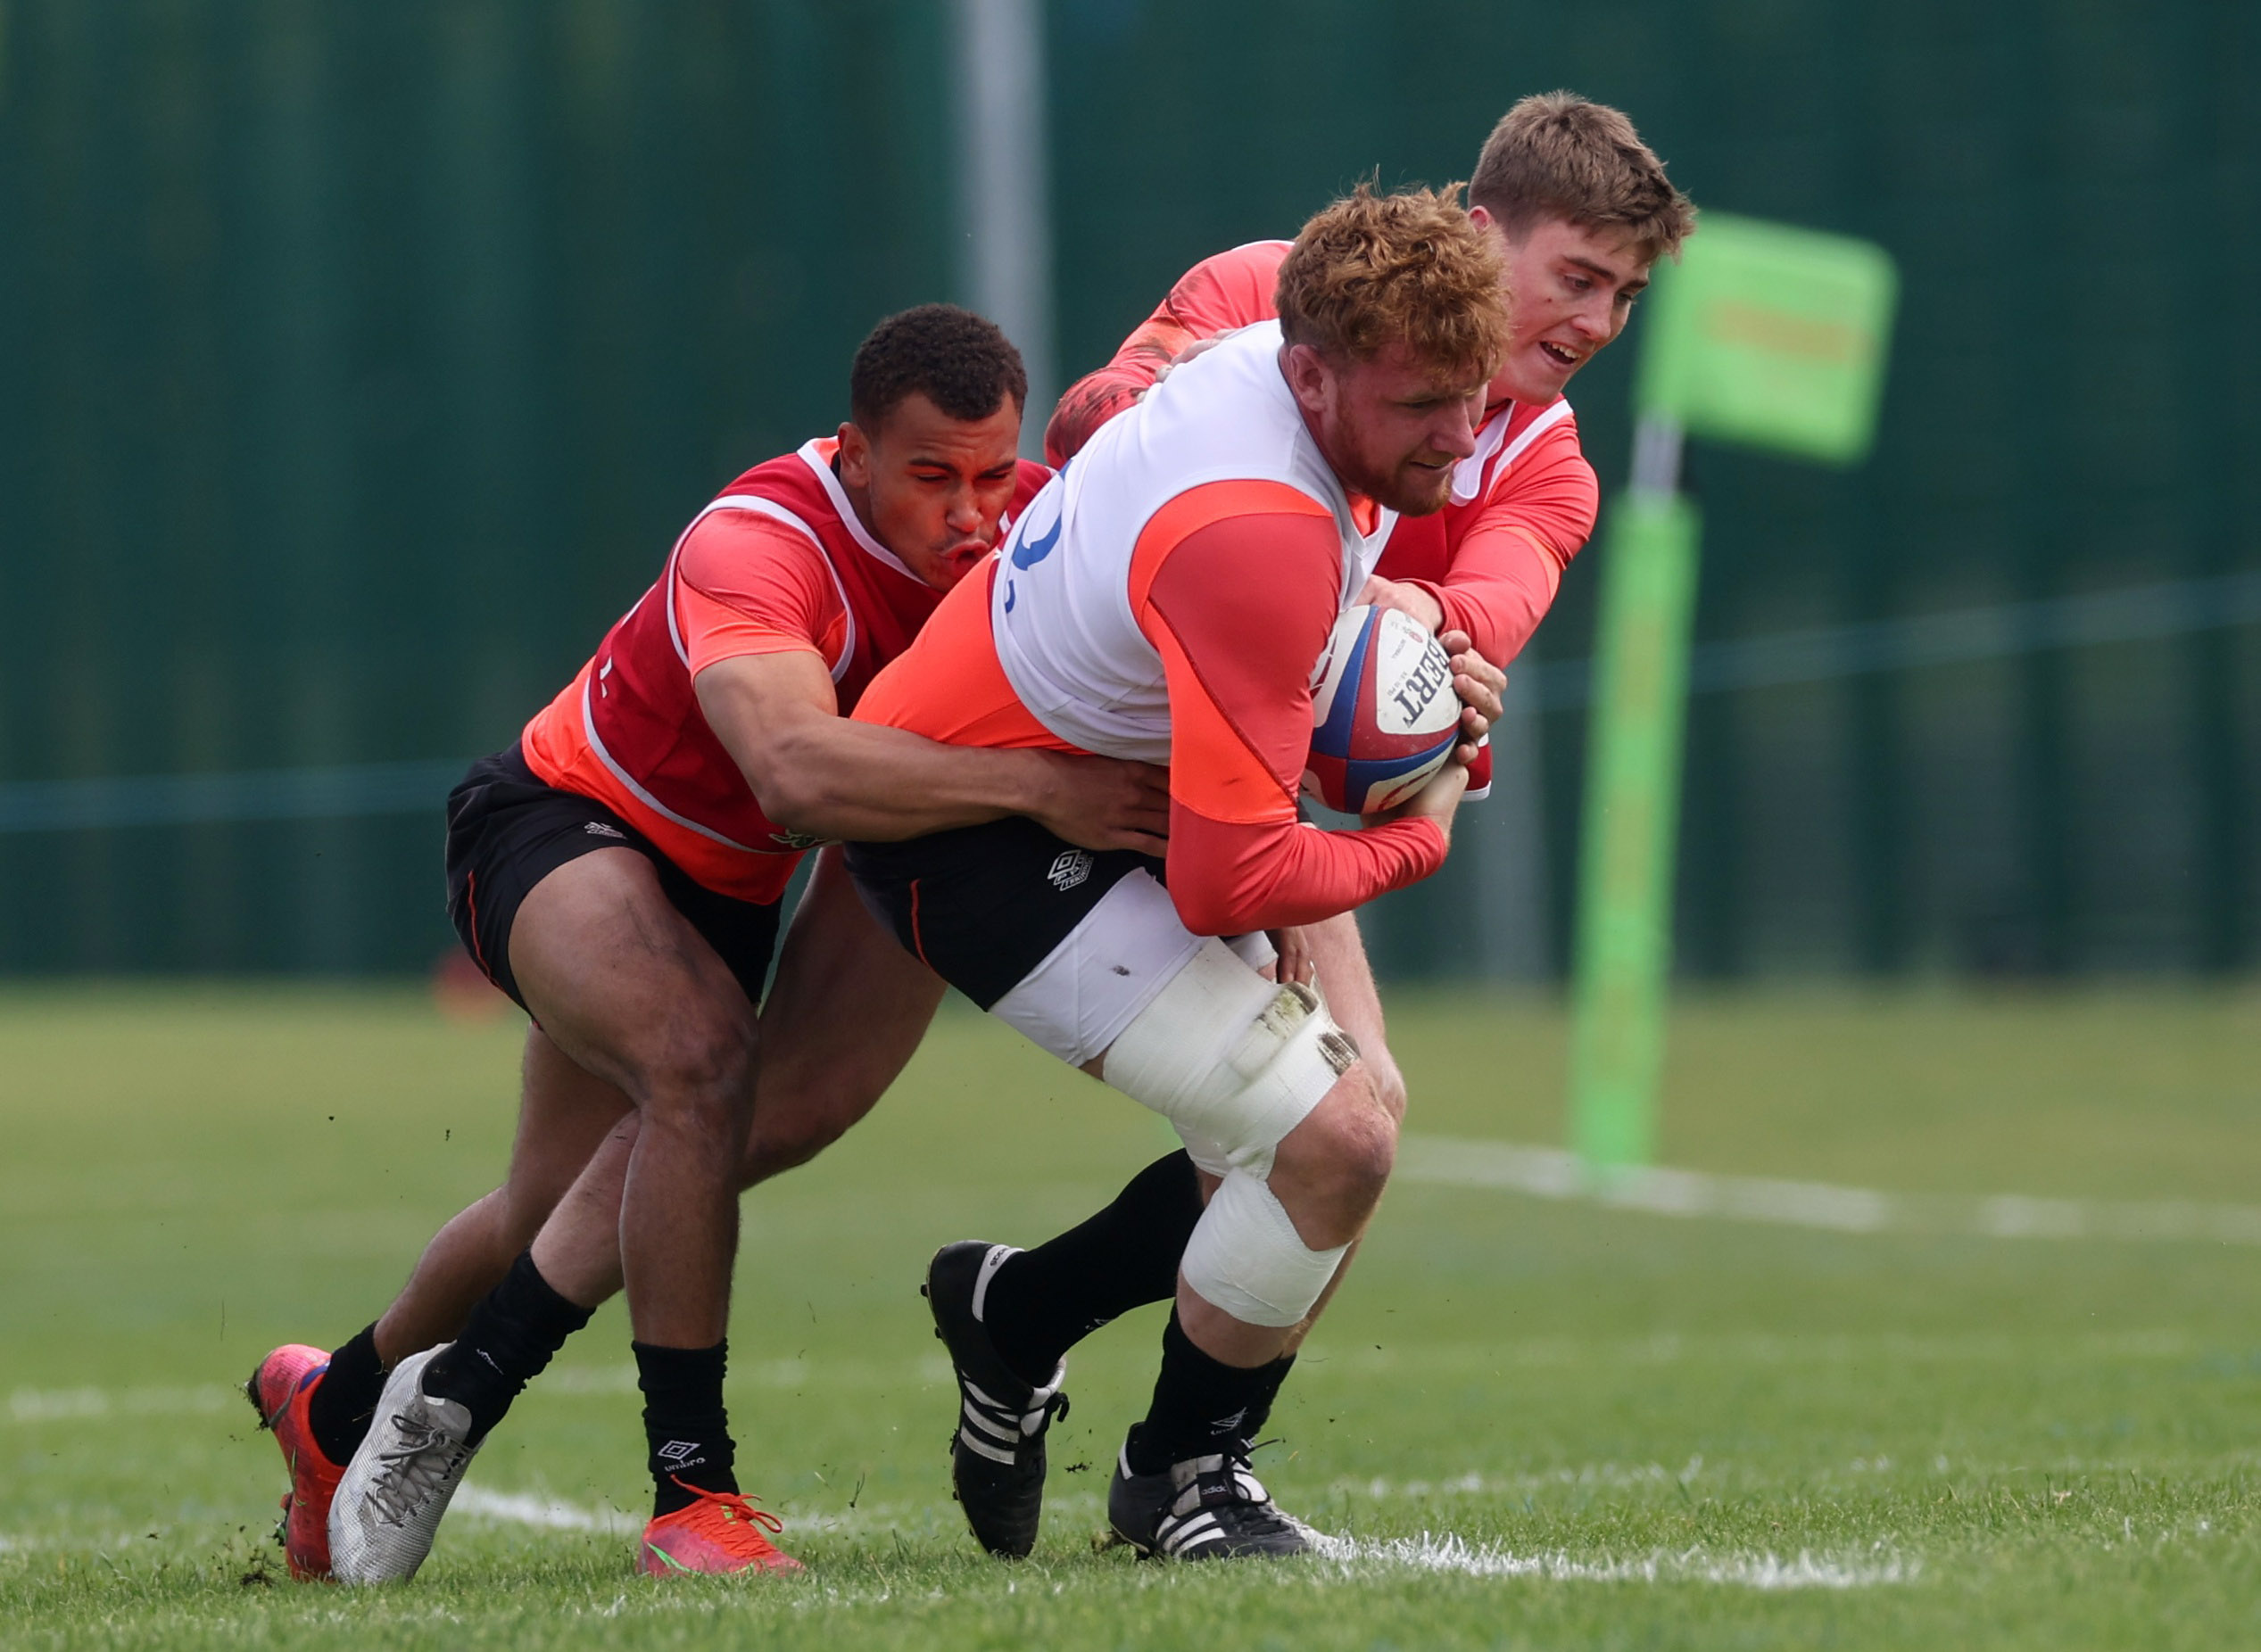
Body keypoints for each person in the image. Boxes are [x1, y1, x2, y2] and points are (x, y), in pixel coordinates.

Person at [245, 306, 1169, 1583]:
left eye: (992, 476)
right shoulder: (759, 542)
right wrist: (1043, 790)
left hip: (738, 895)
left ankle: (336, 1407)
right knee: (701, 1062)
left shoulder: (1025, 535)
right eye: (930, 477)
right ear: (855, 454)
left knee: (553, 1213)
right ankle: (693, 1494)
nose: (970, 513)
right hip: (564, 827)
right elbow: (792, 771)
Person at [923, 92, 1694, 1561]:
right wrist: (1186, 438)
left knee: (1348, 1125)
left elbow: (1478, 619)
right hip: (1022, 742)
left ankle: (1072, 1363)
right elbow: (1092, 423)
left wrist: (1419, 639)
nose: (1597, 322)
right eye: (1577, 277)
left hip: (1232, 768)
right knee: (761, 1102)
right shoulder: (1283, 300)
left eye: (1624, 295)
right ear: (1479, 234)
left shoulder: (1546, 464)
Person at [845, 184, 1509, 1560]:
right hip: (969, 835)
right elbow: (1225, 881)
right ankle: (1182, 1478)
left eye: (1473, 395)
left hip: (1112, 787)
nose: (1459, 437)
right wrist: (1421, 822)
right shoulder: (1251, 525)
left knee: (1319, 1134)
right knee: (1333, 1140)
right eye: (1420, 405)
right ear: (1311, 377)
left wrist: (1409, 682)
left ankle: (1016, 1314)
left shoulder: (1289, 364)